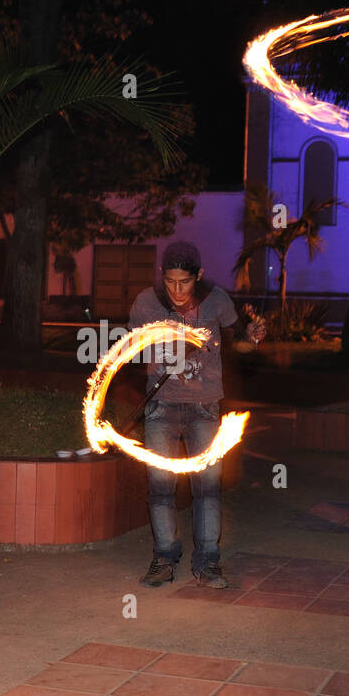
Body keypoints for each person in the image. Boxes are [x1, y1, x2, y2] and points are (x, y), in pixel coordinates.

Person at [127, 241, 265, 589]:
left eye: (184, 282)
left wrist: (253, 337)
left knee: (207, 488)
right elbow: (129, 350)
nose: (176, 290)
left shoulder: (216, 300)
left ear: (198, 276)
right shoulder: (147, 302)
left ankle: (208, 561)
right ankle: (163, 557)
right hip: (161, 408)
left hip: (204, 406)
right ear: (162, 276)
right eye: (170, 281)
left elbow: (238, 345)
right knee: (160, 487)